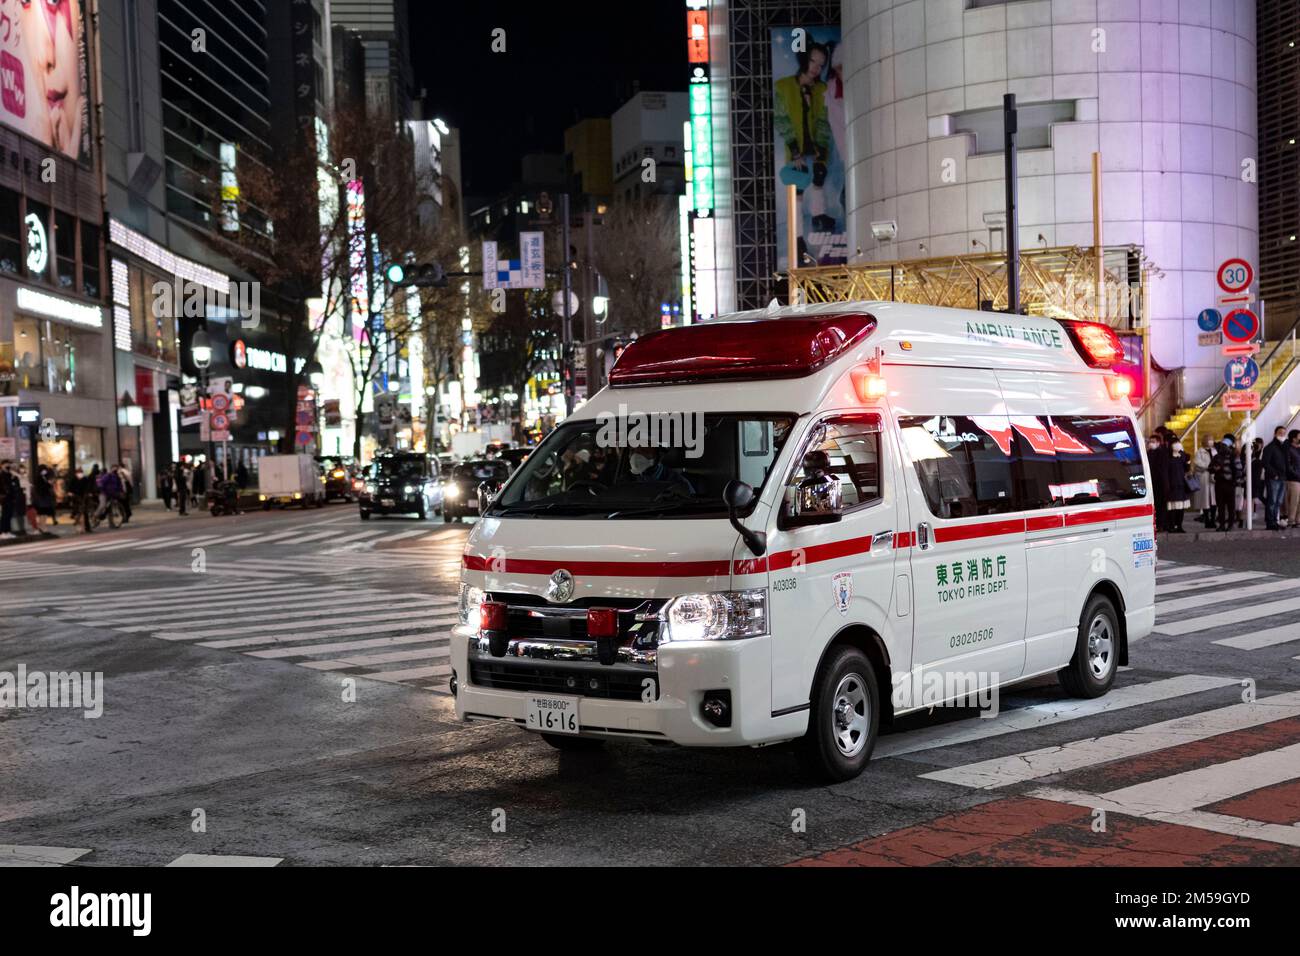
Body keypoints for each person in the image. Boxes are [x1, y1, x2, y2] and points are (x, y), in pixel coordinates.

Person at [1262, 426, 1289, 531]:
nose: (1282, 435)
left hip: (1283, 478)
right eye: (1280, 432)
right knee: (1272, 501)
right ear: (1275, 434)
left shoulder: (1284, 447)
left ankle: (1275, 521)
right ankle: (1270, 522)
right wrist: (1274, 474)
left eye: (1284, 433)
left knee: (1278, 501)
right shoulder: (1270, 447)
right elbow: (1265, 463)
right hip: (1274, 478)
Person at [1211, 436, 1238, 532]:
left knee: (1231, 506)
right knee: (1220, 506)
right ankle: (1222, 525)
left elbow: (1237, 470)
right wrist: (1215, 468)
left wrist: (1235, 481)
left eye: (1225, 446)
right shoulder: (1216, 457)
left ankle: (1230, 524)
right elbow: (1210, 468)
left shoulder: (1233, 456)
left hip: (1230, 484)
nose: (1223, 448)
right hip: (1219, 484)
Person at [1165, 441, 1191, 532]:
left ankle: (1179, 526)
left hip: (1181, 486)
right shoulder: (1168, 458)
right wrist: (1167, 485)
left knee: (1180, 508)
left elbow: (1187, 469)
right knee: (1172, 508)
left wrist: (1188, 461)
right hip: (1172, 486)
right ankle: (1171, 526)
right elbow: (1166, 473)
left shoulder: (1183, 457)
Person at [1147, 432, 1170, 532]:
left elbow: (1163, 470)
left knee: (1161, 506)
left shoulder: (1162, 453)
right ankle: (1156, 524)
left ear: (1158, 443)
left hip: (1161, 484)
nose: (1151, 443)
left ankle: (1162, 524)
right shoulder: (1148, 453)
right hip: (1152, 484)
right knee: (1155, 505)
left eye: (1153, 442)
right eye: (1150, 442)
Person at [1192, 435, 1216, 526]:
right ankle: (1207, 520)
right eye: (1208, 440)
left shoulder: (1214, 451)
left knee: (1214, 500)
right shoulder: (1199, 452)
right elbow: (1197, 463)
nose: (1210, 441)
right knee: (1205, 500)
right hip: (1204, 477)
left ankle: (1213, 520)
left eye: (1211, 440)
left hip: (1213, 478)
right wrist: (1208, 466)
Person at [1285, 429, 1300, 530]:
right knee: (1294, 501)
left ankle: (1298, 520)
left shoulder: (1298, 449)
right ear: (1294, 438)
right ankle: (1291, 520)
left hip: (1298, 478)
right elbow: (1288, 466)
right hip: (1293, 479)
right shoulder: (1288, 449)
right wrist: (1297, 475)